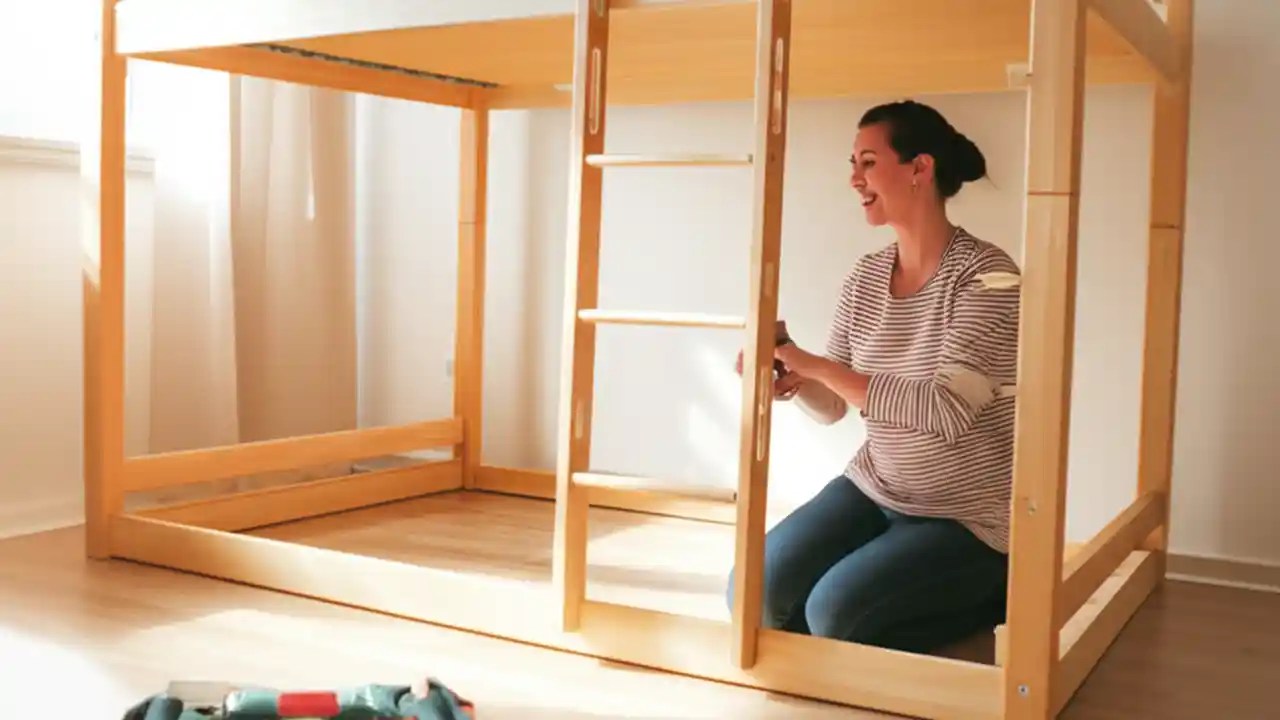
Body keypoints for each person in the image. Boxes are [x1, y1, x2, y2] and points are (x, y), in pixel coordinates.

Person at [727, 99, 1022, 654]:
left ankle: (990, 592)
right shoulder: (865, 277)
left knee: (832, 613)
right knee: (752, 596)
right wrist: (789, 376)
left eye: (867, 162)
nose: (854, 179)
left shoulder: (989, 275)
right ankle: (865, 611)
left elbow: (946, 410)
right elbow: (833, 404)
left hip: (966, 516)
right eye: (852, 163)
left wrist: (814, 363)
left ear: (920, 168)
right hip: (876, 488)